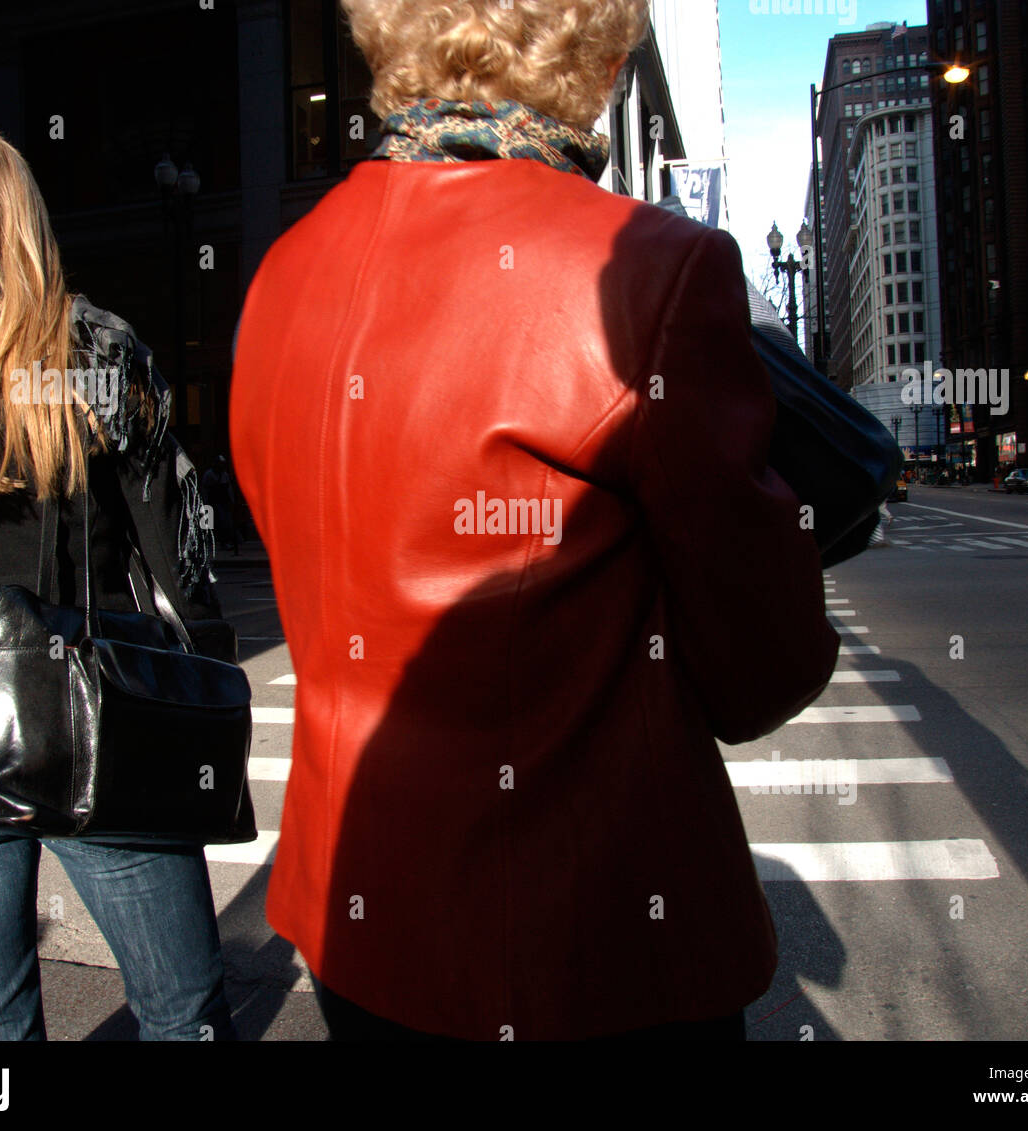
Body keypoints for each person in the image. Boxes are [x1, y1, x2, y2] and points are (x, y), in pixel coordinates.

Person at [231, 0, 837, 1040]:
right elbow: (761, 671)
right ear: (597, 47)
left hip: (357, 918)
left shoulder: (281, 274)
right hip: (582, 941)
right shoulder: (649, 271)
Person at [0, 127, 234, 1041]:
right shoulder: (91, 349)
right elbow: (181, 558)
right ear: (18, 221)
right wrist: (211, 686)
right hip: (97, 713)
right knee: (183, 1013)